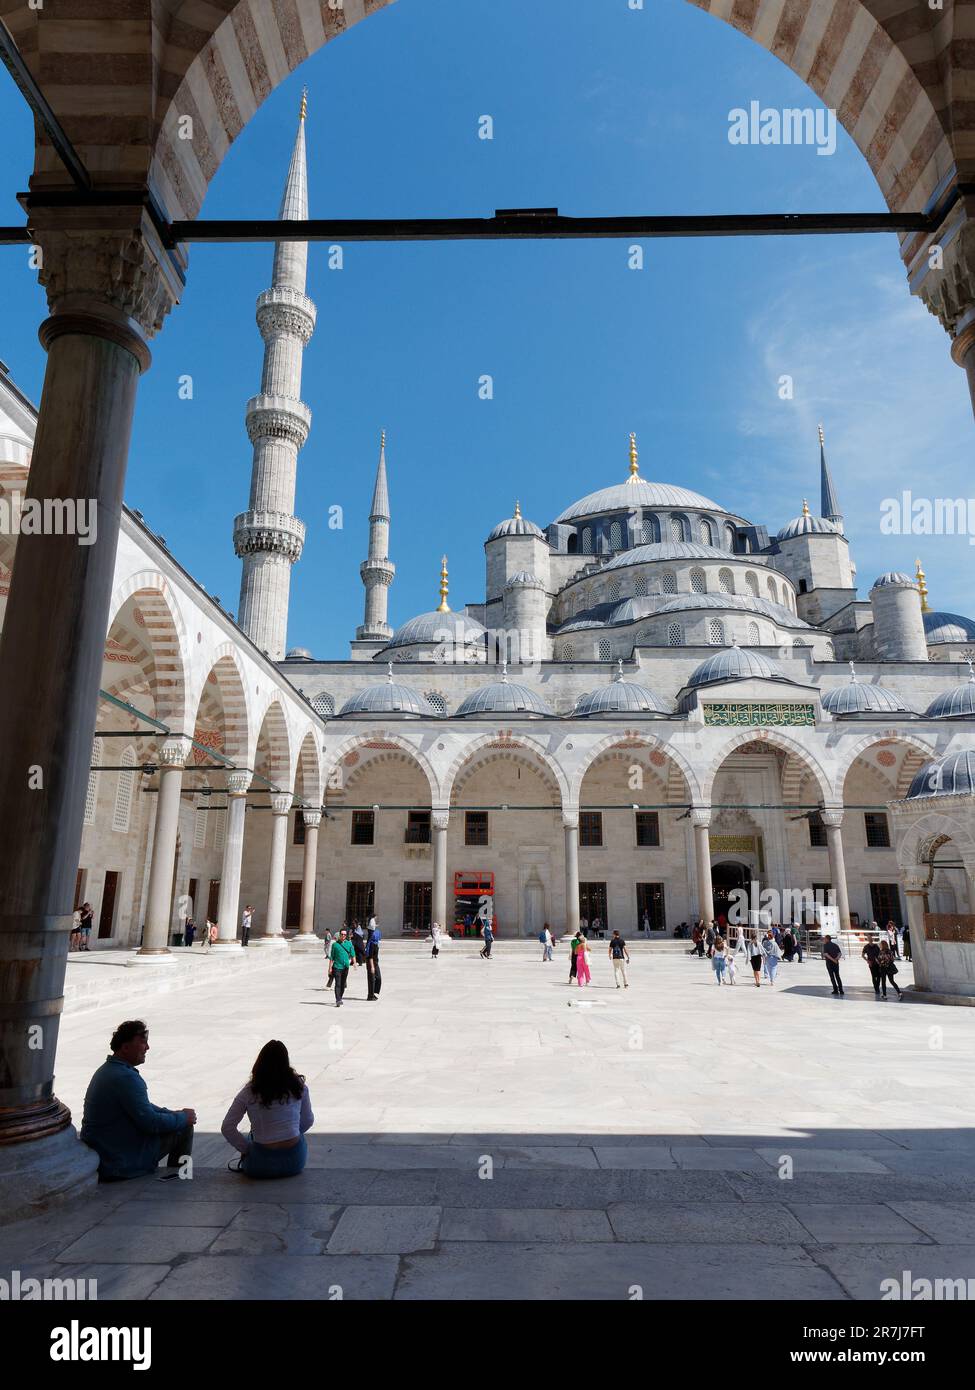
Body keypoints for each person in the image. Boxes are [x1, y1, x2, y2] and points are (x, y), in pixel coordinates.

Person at [80, 1020, 196, 1180]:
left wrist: (174, 1114)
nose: (147, 1048)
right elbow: (150, 1123)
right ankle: (178, 1178)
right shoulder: (126, 1077)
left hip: (107, 1153)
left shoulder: (109, 1070)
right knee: (184, 1127)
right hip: (119, 1162)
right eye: (142, 1043)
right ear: (125, 1047)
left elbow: (144, 1107)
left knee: (180, 1120)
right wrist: (183, 1118)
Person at [222, 1040, 313, 1179]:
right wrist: (290, 1132)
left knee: (252, 1136)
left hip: (260, 1166)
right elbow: (307, 1121)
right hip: (295, 1163)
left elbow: (227, 1127)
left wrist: (247, 1150)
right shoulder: (299, 1087)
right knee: (298, 1134)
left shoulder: (248, 1092)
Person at [329, 929, 355, 1006]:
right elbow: (332, 958)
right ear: (339, 935)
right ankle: (338, 1000)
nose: (343, 936)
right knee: (338, 983)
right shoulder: (335, 945)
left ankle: (340, 997)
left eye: (344, 934)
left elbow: (353, 954)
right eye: (342, 934)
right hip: (337, 966)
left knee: (343, 984)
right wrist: (330, 968)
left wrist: (354, 963)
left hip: (346, 966)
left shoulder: (349, 944)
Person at [365, 918, 382, 1000]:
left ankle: (373, 993)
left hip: (375, 962)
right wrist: (372, 967)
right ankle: (370, 996)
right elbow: (370, 956)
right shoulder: (372, 943)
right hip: (370, 963)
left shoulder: (375, 943)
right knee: (371, 979)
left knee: (378, 978)